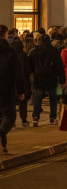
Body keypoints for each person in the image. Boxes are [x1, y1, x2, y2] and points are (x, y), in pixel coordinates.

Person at [28, 34, 65, 127]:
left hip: (38, 78)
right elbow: (59, 66)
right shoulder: (54, 51)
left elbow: (29, 67)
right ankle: (52, 117)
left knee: (37, 98)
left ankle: (35, 117)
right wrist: (62, 80)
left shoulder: (34, 51)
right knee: (53, 99)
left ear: (39, 41)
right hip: (51, 78)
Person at [0, 26, 26, 154]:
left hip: (6, 89)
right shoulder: (10, 53)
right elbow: (18, 74)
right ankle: (1, 136)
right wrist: (21, 91)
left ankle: (3, 145)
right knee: (9, 116)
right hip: (6, 89)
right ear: (5, 35)